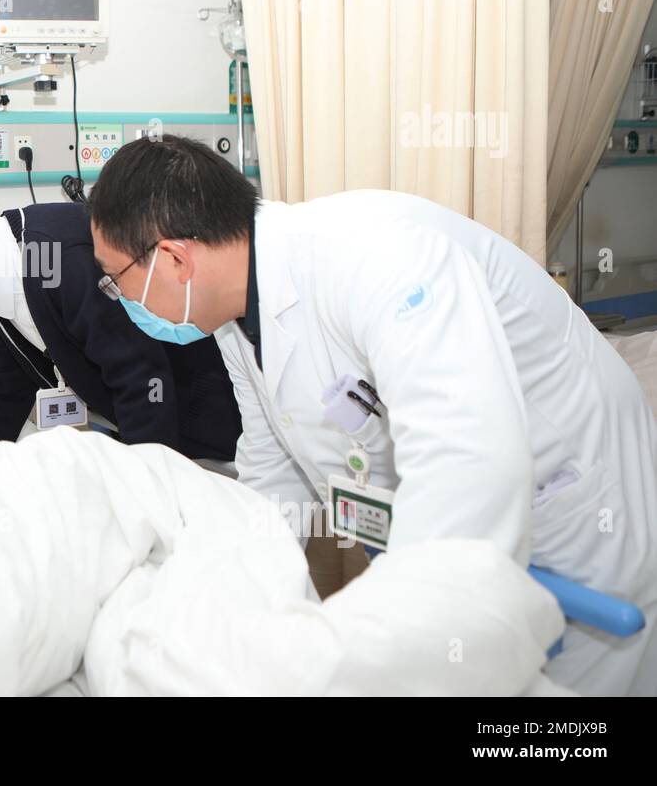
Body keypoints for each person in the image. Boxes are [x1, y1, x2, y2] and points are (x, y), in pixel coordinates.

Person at [87, 133, 657, 696]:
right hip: (450, 520)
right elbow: (272, 467)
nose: (118, 295)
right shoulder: (237, 316)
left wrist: (395, 633)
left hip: (571, 501)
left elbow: (464, 462)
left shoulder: (378, 256)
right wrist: (223, 593)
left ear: (175, 257)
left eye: (116, 278)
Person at [0, 171, 242, 459]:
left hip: (192, 405)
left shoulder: (52, 254)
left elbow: (137, 371)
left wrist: (144, 475)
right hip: (149, 417)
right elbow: (14, 375)